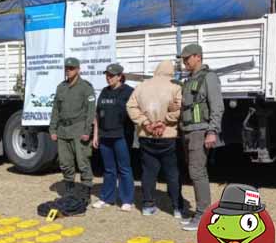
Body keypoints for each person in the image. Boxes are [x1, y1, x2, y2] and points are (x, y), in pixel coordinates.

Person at [127, 60, 185, 219]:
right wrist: (164, 120)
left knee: (148, 172)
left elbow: (131, 106)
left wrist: (146, 123)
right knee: (172, 173)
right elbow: (182, 109)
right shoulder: (175, 86)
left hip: (146, 135)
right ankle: (177, 208)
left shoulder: (142, 86)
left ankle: (147, 205)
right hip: (168, 135)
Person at [179, 44, 225, 231]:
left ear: (198, 57)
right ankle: (202, 212)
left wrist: (212, 131)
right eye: (183, 59)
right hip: (189, 131)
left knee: (197, 172)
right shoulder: (190, 79)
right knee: (195, 172)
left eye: (187, 58)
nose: (184, 62)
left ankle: (203, 215)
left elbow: (217, 106)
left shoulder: (209, 77)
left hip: (200, 131)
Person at [49, 57, 96, 203]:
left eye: (71, 68)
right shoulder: (61, 87)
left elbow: (90, 111)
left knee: (83, 162)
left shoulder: (85, 87)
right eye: (66, 69)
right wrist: (52, 129)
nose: (68, 71)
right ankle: (69, 190)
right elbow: (56, 109)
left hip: (79, 129)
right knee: (65, 162)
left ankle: (85, 192)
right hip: (63, 130)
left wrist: (87, 131)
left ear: (78, 70)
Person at [91, 63, 135, 211]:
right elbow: (97, 114)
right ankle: (106, 198)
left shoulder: (129, 92)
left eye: (111, 76)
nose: (108, 78)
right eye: (107, 75)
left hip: (121, 136)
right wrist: (96, 134)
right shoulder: (104, 91)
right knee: (109, 169)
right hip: (105, 136)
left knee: (124, 168)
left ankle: (126, 200)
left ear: (120, 76)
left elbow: (136, 113)